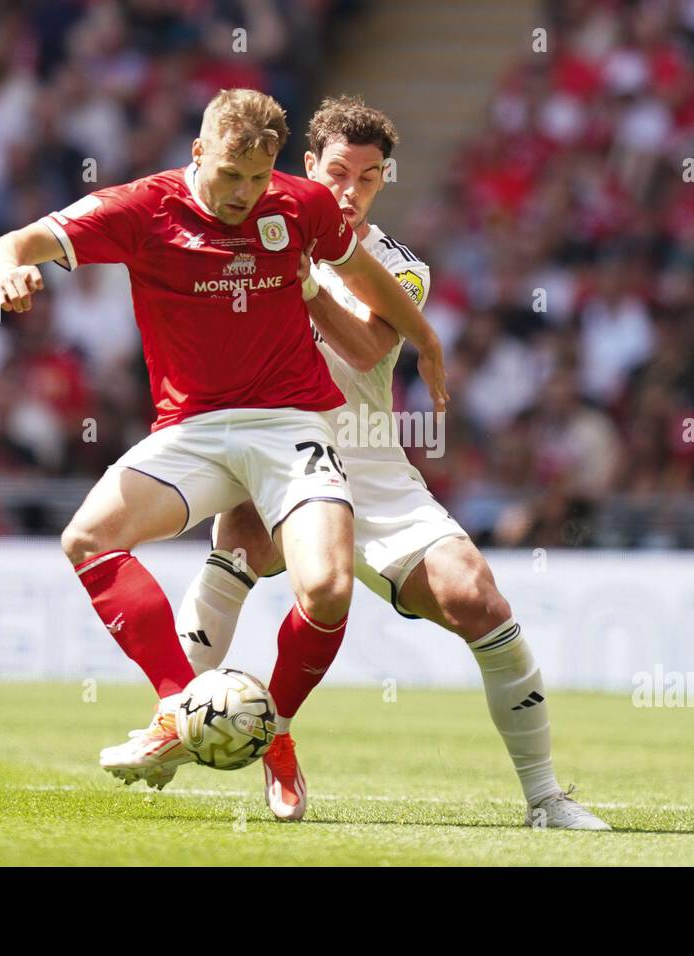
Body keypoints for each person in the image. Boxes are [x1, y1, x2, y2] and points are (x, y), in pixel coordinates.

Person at [0, 89, 447, 790]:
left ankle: (279, 734)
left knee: (327, 588)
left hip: (290, 422)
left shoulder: (299, 205)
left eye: (258, 178)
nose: (244, 194)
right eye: (231, 175)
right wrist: (6, 271)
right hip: (193, 429)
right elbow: (17, 242)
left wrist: (429, 343)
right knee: (87, 538)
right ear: (199, 152)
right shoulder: (142, 207)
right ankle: (178, 707)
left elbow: (370, 280)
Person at [167, 96, 607, 829]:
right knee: (240, 539)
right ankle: (176, 724)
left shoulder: (400, 267)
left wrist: (302, 281)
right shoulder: (247, 233)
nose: (349, 189)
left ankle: (545, 799)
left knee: (481, 602)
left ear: (383, 182)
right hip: (274, 453)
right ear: (307, 167)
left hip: (369, 470)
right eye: (337, 171)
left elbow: (367, 349)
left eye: (367, 179)